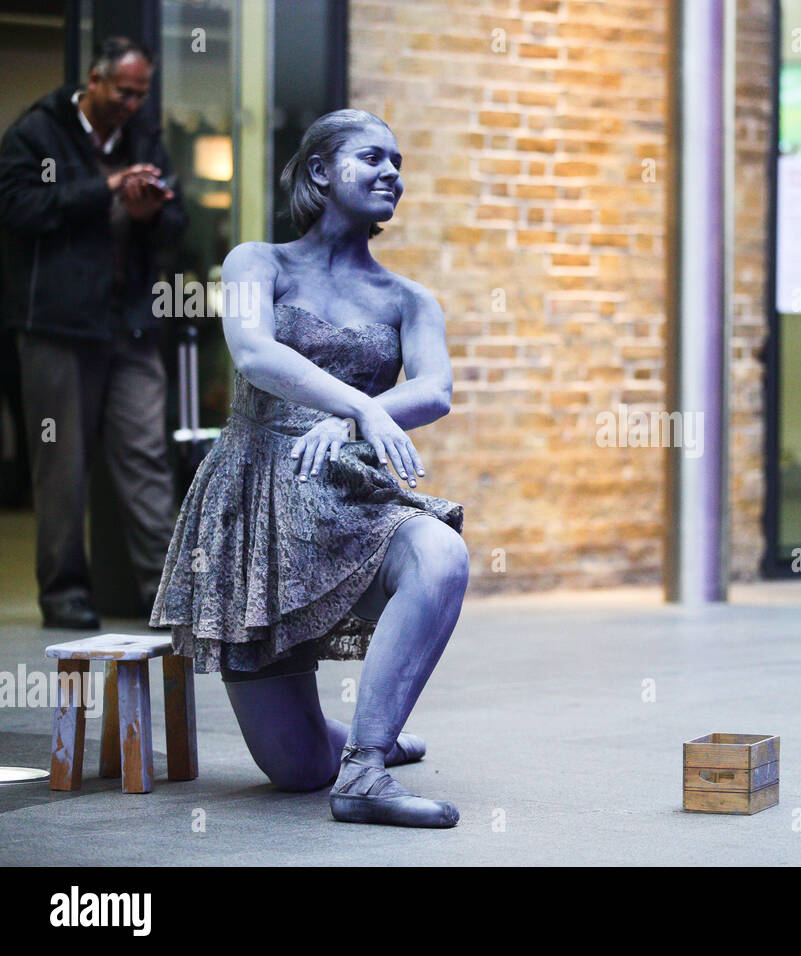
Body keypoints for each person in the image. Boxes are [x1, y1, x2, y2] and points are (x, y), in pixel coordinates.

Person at [150, 109, 468, 828]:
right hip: (256, 500)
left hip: (353, 495)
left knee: (440, 554)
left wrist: (350, 419)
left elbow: (435, 388)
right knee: (293, 770)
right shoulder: (255, 261)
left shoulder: (409, 299)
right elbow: (255, 353)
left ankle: (367, 766)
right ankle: (352, 743)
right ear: (320, 171)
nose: (393, 172)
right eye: (371, 158)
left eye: (398, 161)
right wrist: (364, 405)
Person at [0, 36, 185, 628]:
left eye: (141, 93)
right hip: (57, 326)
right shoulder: (39, 132)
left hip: (127, 325)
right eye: (124, 91)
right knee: (60, 461)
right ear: (96, 80)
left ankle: (165, 592)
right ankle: (64, 595)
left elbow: (178, 220)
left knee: (146, 457)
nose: (133, 103)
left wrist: (150, 212)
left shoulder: (145, 135)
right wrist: (104, 188)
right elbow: (19, 208)